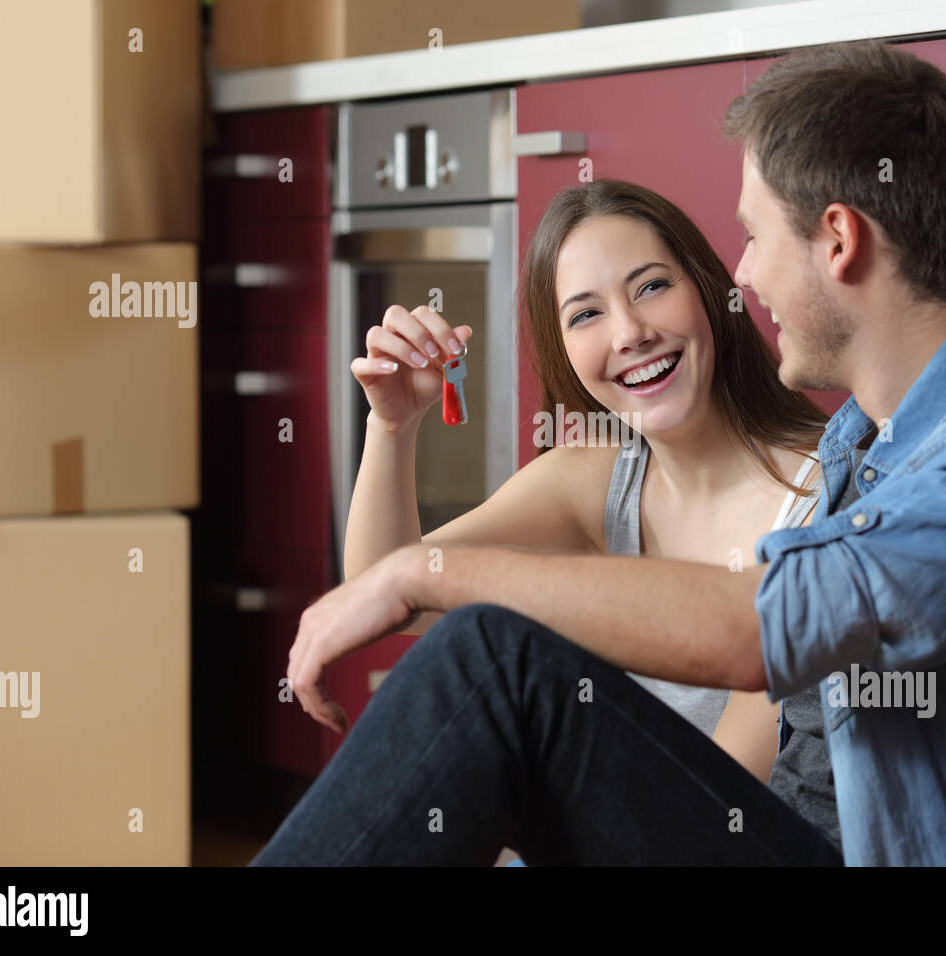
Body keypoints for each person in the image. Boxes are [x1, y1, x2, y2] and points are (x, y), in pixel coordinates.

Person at [252, 38, 946, 866]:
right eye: (584, 314)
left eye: (750, 234)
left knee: (493, 663)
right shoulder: (877, 435)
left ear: (838, 239)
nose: (742, 273)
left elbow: (761, 630)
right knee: (490, 672)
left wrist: (431, 572)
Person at [335, 177, 843, 856]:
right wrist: (392, 427)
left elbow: (713, 803)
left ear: (708, 293)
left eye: (652, 286)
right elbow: (381, 592)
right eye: (586, 315)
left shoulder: (829, 495)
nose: (630, 332)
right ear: (566, 353)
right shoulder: (596, 480)